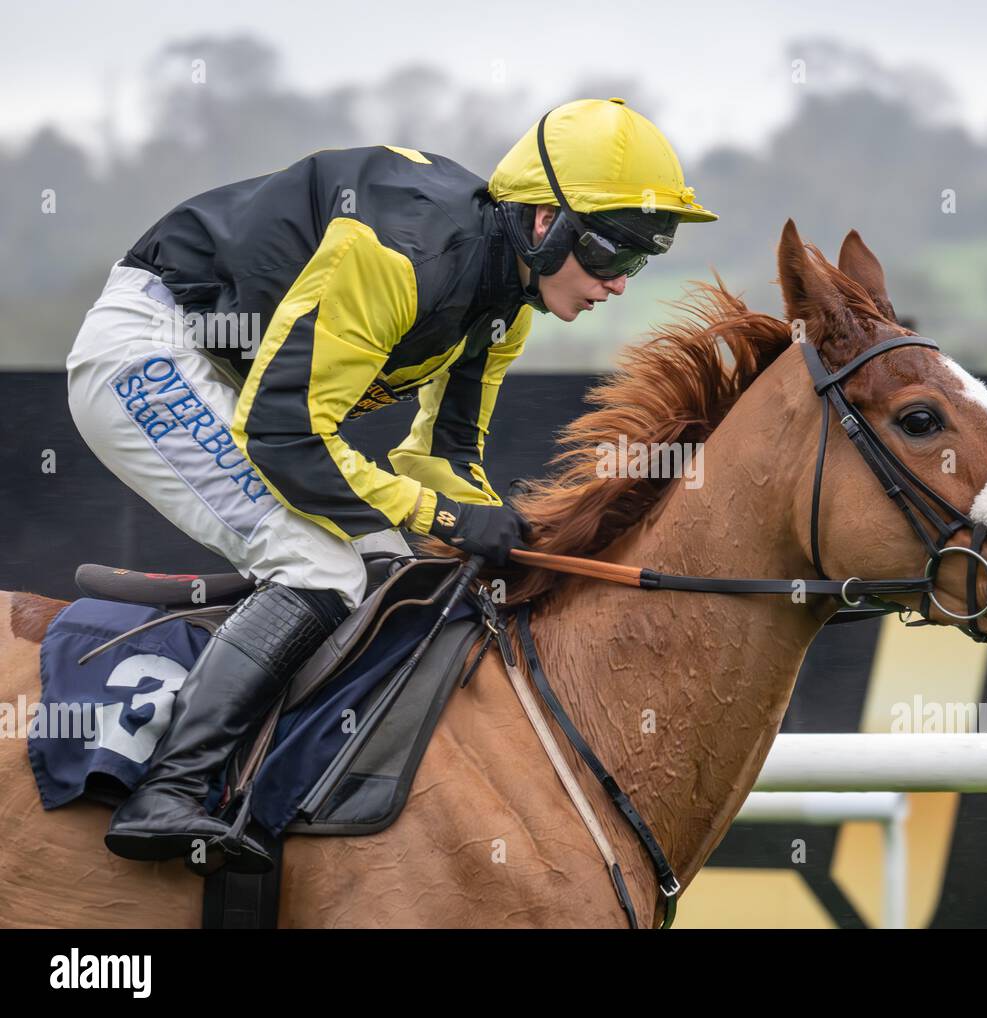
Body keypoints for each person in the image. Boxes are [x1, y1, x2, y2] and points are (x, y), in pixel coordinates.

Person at [65, 97, 717, 873]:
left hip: (241, 383)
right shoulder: (400, 255)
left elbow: (441, 459)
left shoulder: (507, 308)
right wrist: (441, 513)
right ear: (546, 223)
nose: (617, 286)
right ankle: (169, 788)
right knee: (322, 563)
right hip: (151, 348)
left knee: (385, 560)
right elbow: (290, 440)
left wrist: (509, 534)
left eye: (640, 265)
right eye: (613, 256)